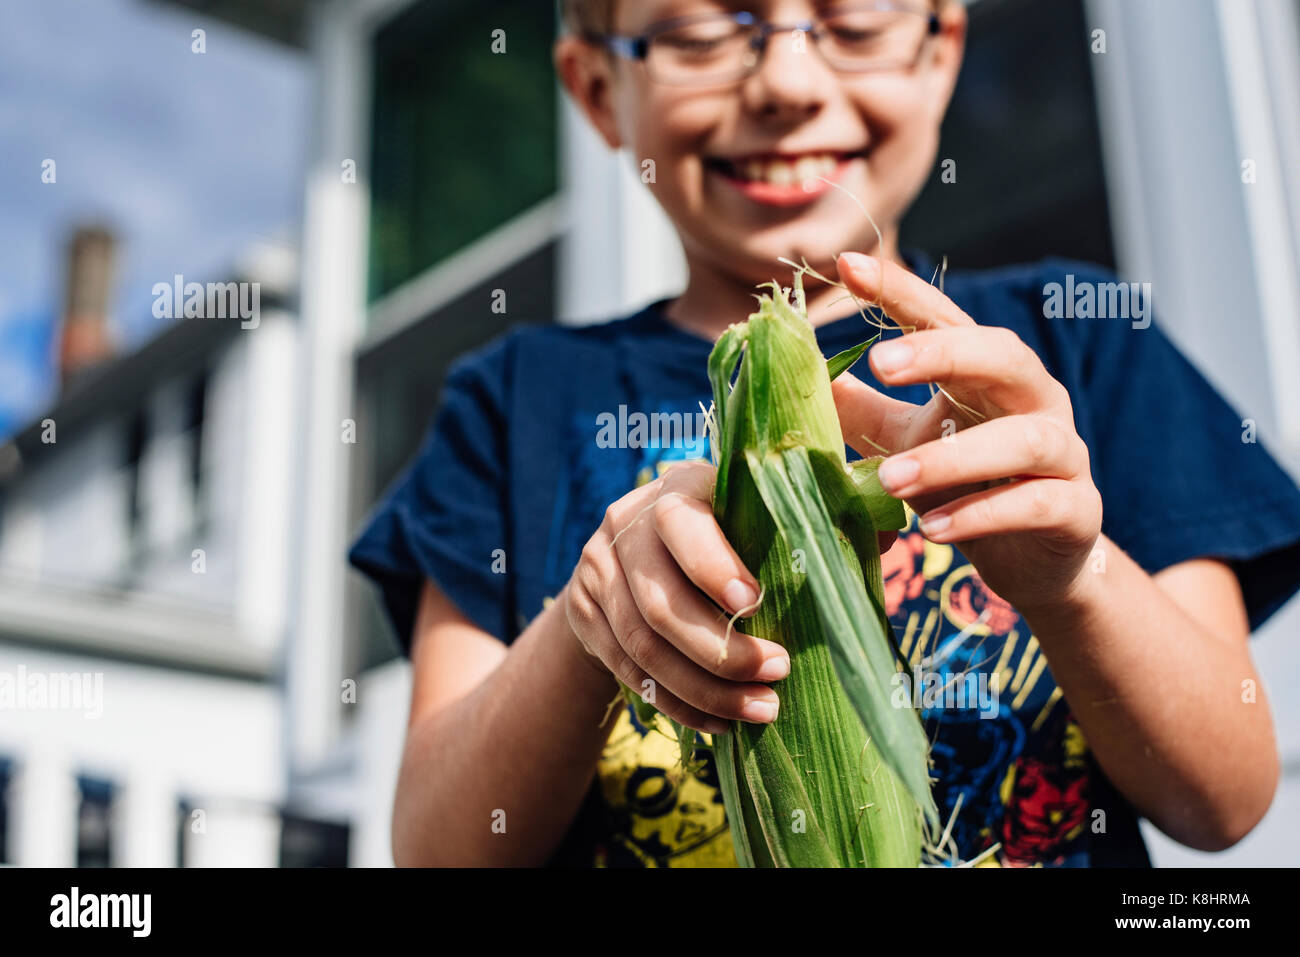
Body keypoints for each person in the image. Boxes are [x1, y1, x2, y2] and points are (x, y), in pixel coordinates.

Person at [348, 0, 1300, 867]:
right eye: (699, 32)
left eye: (854, 20)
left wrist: (1072, 578)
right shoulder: (514, 400)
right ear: (600, 92)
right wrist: (585, 624)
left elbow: (1225, 797)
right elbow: (440, 849)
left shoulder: (1076, 340)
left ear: (940, 50)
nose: (789, 83)